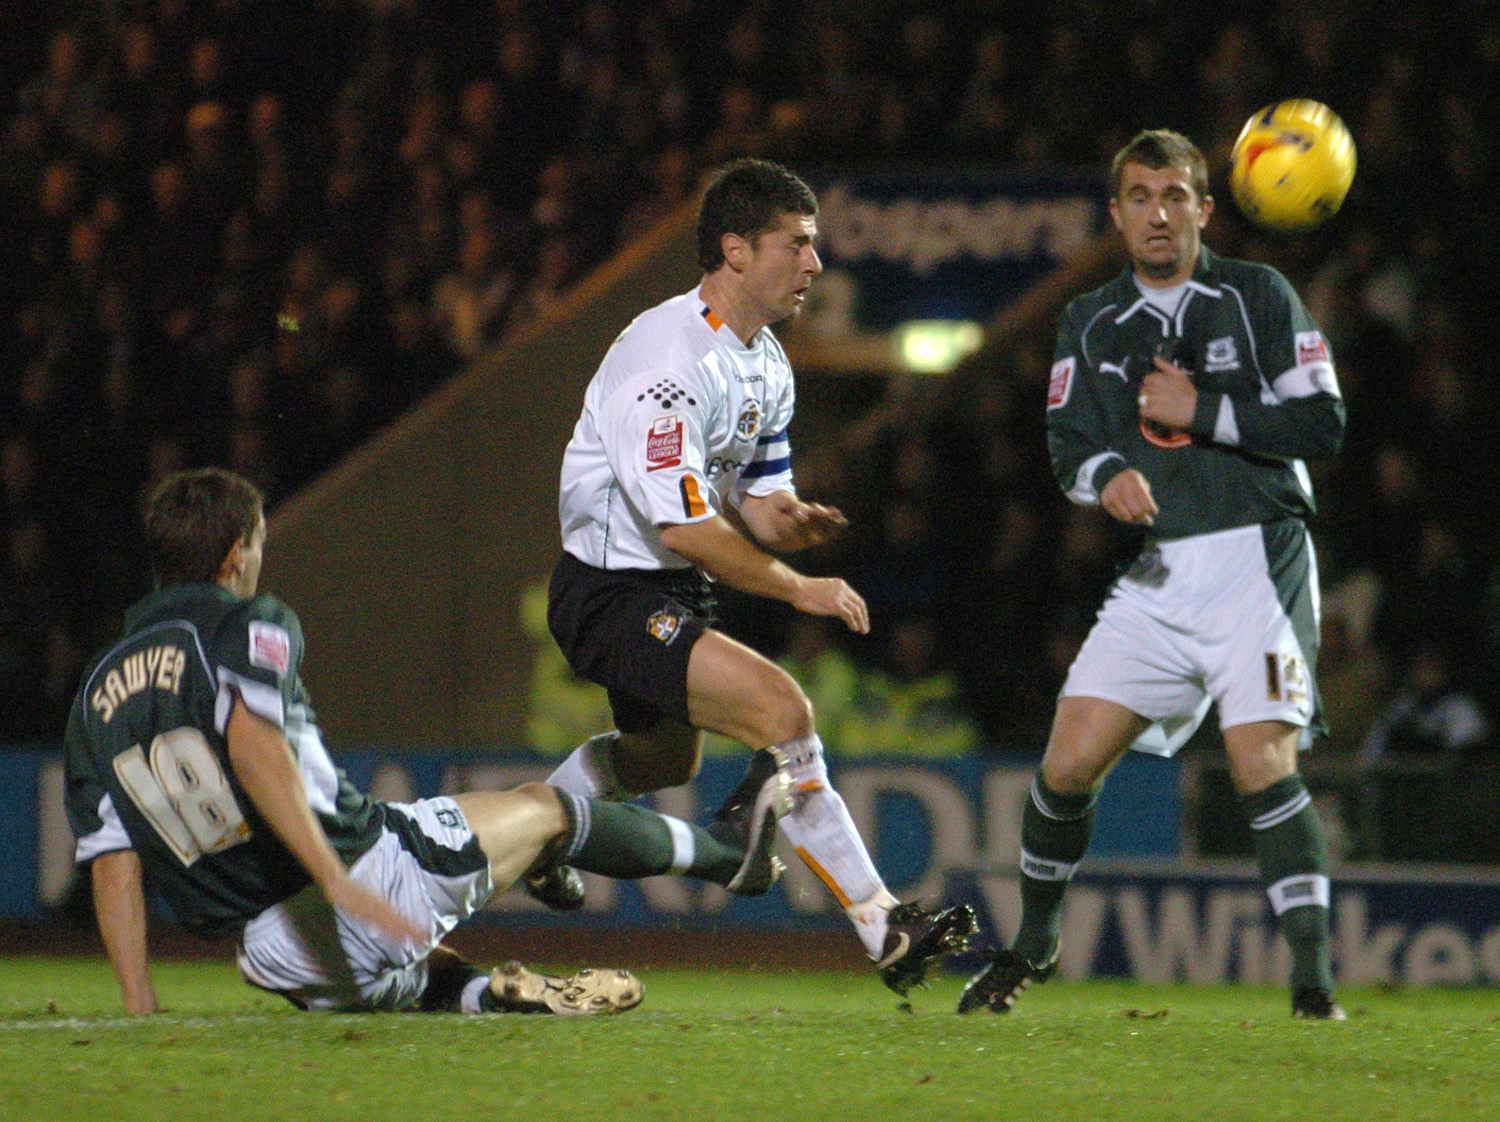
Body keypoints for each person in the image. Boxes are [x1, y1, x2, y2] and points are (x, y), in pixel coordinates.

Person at [65, 468, 790, 1016]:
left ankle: (488, 997)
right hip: (355, 877)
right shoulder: (244, 624)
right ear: (233, 555)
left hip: (269, 957)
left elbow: (112, 865)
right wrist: (338, 875)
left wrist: (140, 1010)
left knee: (411, 967)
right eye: (257, 545)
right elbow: (255, 745)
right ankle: (734, 858)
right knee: (548, 812)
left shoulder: (96, 691)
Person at [539, 157, 975, 994]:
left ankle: (543, 830)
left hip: (668, 588)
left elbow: (757, 498)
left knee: (661, 761)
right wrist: (794, 585)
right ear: (735, 250)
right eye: (798, 245)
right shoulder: (668, 363)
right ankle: (884, 924)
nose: (815, 264)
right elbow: (686, 526)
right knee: (785, 711)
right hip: (608, 590)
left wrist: (789, 520)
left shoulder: (766, 362)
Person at [959, 130, 1347, 1019]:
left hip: (1258, 554)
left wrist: (1201, 410)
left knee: (1261, 763)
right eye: (1140, 197)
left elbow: (1323, 425)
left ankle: (1314, 985)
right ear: (1118, 215)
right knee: (1065, 765)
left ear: (1205, 210)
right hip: (1162, 571)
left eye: (1175, 196)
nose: (1158, 213)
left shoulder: (1257, 295)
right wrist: (1108, 478)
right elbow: (1066, 448)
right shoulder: (1089, 319)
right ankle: (1034, 945)